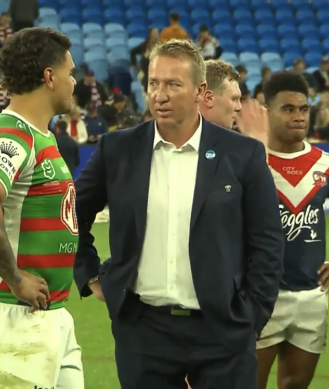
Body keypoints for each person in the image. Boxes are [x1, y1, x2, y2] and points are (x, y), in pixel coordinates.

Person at [74, 39, 284, 388]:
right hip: (143, 330)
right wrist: (91, 274)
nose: (160, 94)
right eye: (154, 83)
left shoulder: (242, 154)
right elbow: (71, 214)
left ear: (201, 91)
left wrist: (251, 317)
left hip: (224, 330)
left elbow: (267, 242)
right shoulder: (117, 149)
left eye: (173, 84)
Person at [0, 27, 84, 389]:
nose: (73, 82)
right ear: (49, 77)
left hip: (48, 314)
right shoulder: (12, 133)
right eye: (69, 73)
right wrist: (15, 278)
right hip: (13, 315)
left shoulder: (40, 134)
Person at [242, 71, 329, 389]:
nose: (299, 116)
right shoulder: (247, 160)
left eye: (304, 109)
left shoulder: (327, 165)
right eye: (288, 109)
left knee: (296, 385)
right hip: (260, 297)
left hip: (312, 298)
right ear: (267, 112)